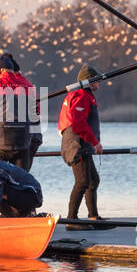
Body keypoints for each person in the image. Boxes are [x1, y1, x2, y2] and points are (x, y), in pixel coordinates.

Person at [0, 53, 39, 171]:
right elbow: (35, 115)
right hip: (23, 142)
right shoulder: (28, 86)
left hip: (0, 142)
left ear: (0, 71)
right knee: (21, 181)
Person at [58, 63, 103, 220]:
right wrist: (95, 142)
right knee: (83, 181)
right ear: (89, 81)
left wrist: (93, 142)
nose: (99, 83)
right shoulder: (81, 95)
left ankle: (94, 217)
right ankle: (72, 219)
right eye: (97, 80)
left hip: (84, 144)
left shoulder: (85, 95)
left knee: (93, 181)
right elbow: (78, 124)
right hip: (77, 145)